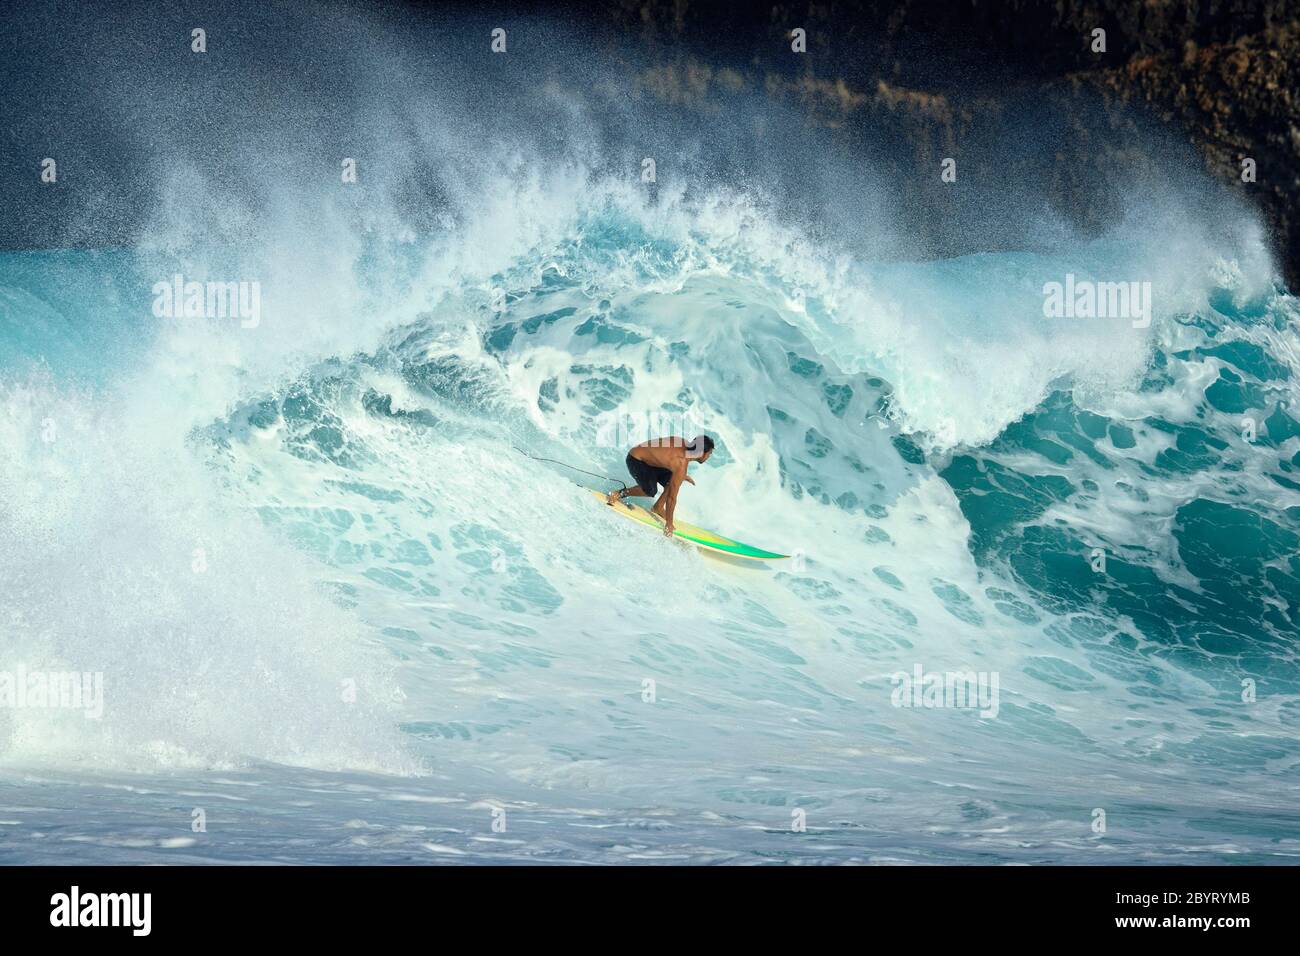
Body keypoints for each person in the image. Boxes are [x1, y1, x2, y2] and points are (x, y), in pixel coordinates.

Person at [607, 435, 715, 536]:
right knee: (650, 491)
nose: (709, 456)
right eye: (709, 453)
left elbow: (663, 455)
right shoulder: (681, 464)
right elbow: (672, 498)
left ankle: (658, 507)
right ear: (701, 453)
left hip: (650, 461)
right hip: (636, 459)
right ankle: (618, 494)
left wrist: (681, 475)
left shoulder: (682, 443)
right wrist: (669, 523)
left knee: (674, 480)